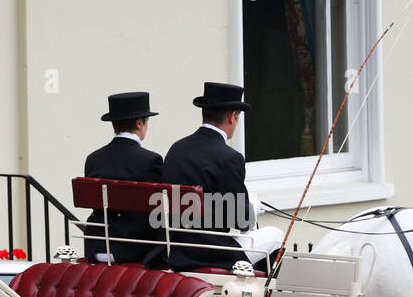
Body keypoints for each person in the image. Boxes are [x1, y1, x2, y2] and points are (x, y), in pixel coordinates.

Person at [160, 81, 283, 271]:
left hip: (178, 250)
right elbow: (241, 221)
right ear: (233, 117)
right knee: (275, 235)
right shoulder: (229, 157)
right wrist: (252, 207)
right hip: (212, 252)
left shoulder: (176, 149)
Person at [81, 92, 164, 263]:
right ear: (140, 123)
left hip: (95, 247)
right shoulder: (150, 160)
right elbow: (158, 208)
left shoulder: (93, 159)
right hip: (132, 249)